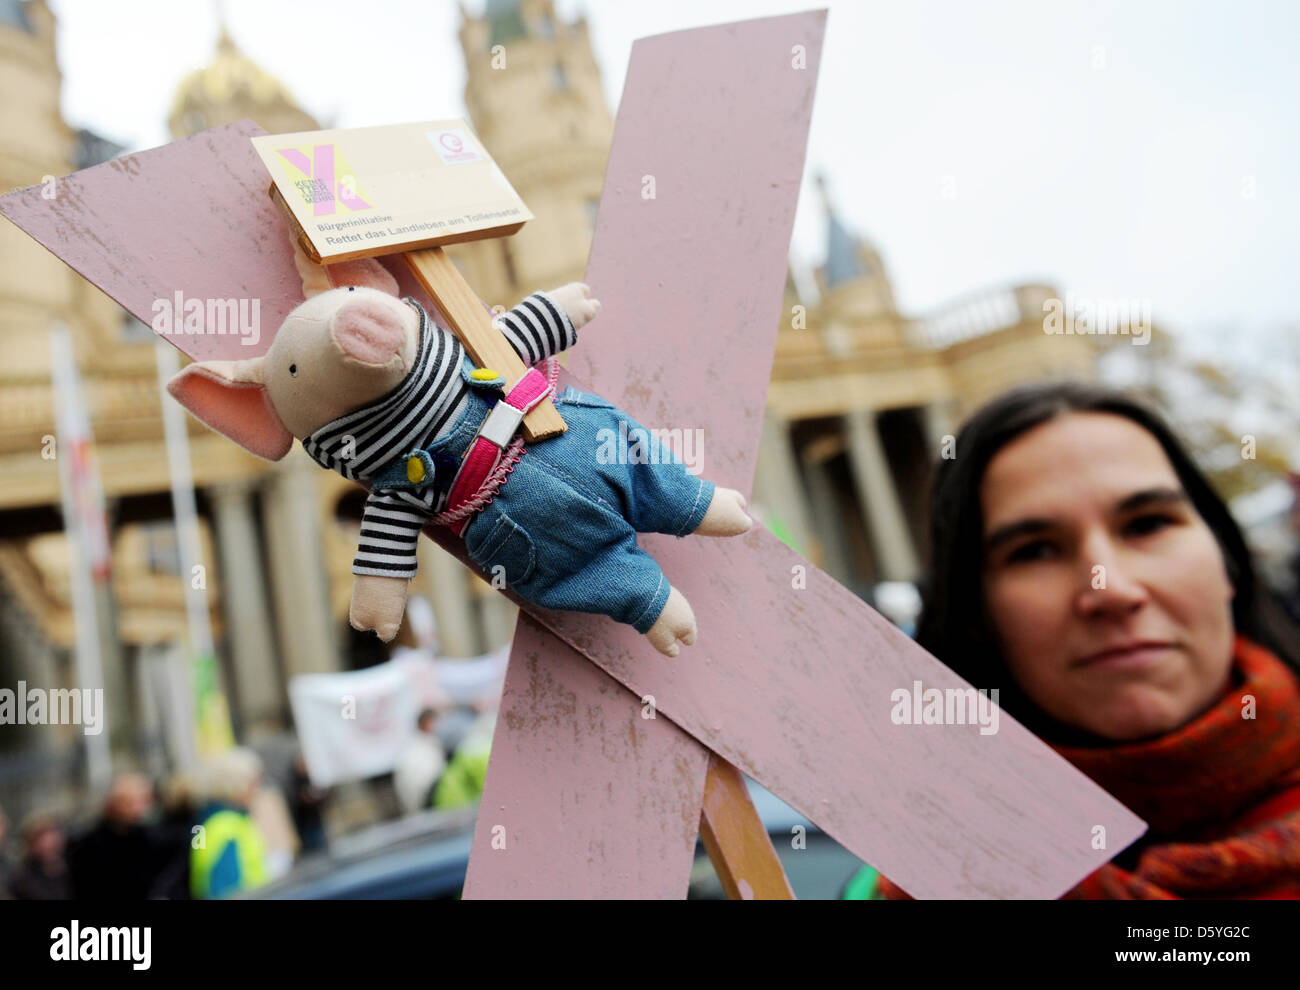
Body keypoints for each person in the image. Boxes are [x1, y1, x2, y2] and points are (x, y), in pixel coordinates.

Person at [868, 382, 1300, 900]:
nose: (1111, 589)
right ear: (978, 615)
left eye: (1148, 523)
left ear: (1226, 561)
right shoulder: (924, 876)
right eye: (1034, 551)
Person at [66, 772, 173, 899]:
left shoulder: (151, 838)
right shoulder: (88, 845)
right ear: (116, 803)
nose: (141, 809)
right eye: (133, 802)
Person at [191, 748, 270, 899]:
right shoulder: (227, 826)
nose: (257, 790)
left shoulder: (209, 821)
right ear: (235, 785)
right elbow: (227, 890)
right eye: (253, 783)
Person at [393, 708, 447, 815]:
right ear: (427, 723)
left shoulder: (417, 748)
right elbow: (433, 784)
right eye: (437, 721)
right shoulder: (423, 751)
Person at [10, 811, 72, 900]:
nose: (48, 844)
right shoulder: (22, 879)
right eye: (40, 839)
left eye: (53, 838)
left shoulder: (69, 868)